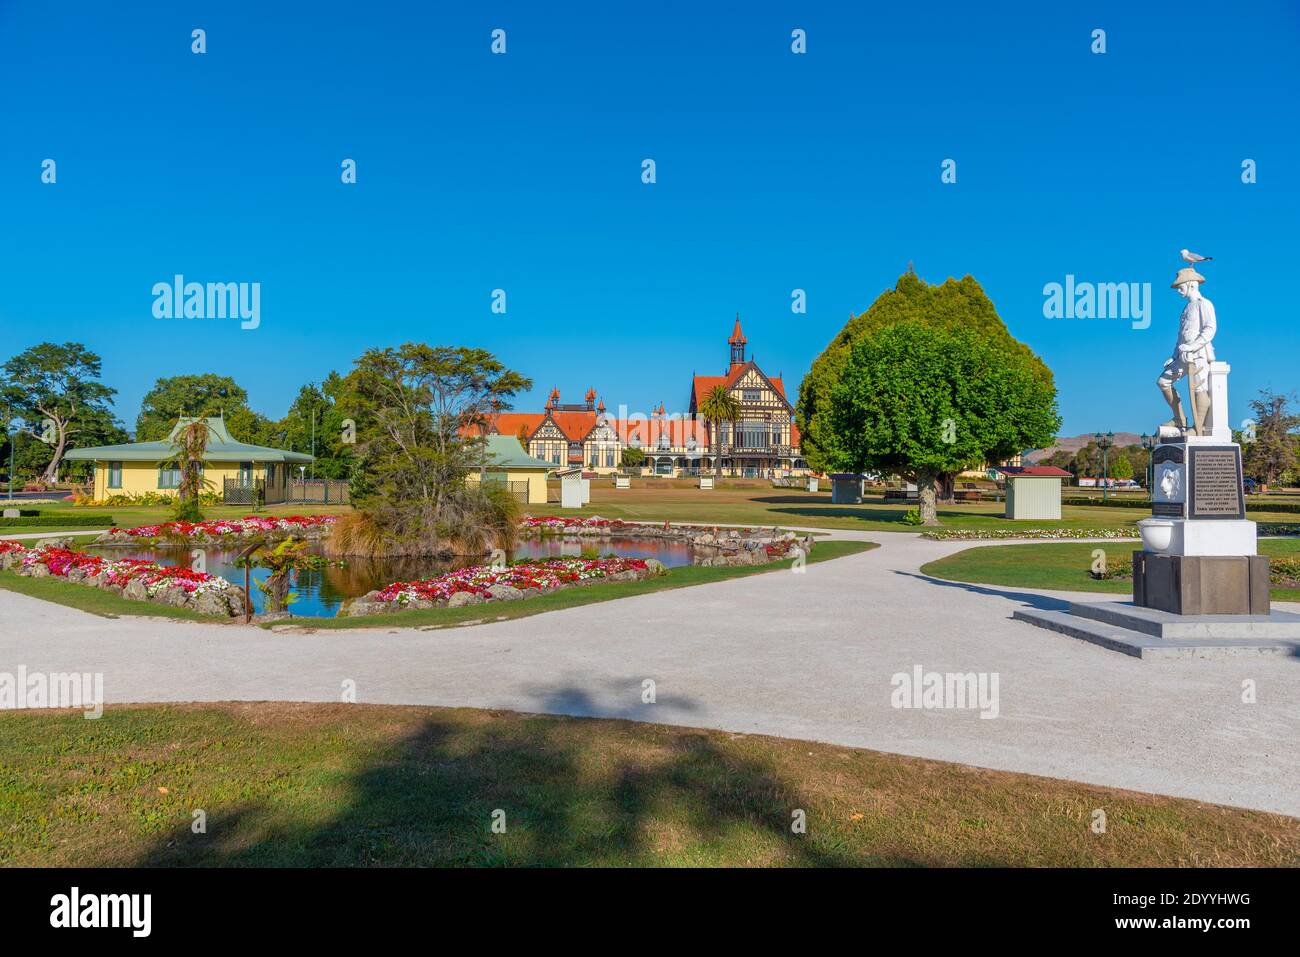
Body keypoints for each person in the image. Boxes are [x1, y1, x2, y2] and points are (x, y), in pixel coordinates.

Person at [1157, 267, 1216, 435]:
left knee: (1199, 388)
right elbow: (1182, 336)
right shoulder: (1185, 309)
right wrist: (1174, 355)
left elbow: (1210, 329)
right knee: (1163, 382)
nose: (1178, 291)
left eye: (1180, 286)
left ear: (1190, 284)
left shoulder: (1204, 304)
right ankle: (1179, 419)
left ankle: (1198, 428)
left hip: (1198, 354)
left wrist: (1193, 346)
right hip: (1182, 355)